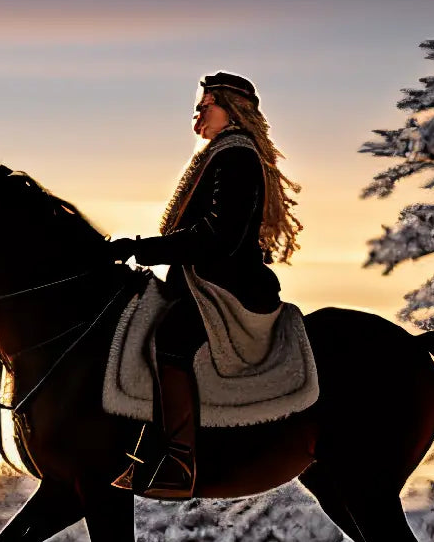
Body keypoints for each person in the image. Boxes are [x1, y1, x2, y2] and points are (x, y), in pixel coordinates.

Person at [108, 71, 303, 498]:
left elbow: (219, 235)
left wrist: (142, 248)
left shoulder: (236, 156)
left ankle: (179, 463)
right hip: (201, 282)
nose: (197, 115)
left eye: (204, 107)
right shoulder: (219, 154)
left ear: (231, 110)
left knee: (171, 338)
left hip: (226, 286)